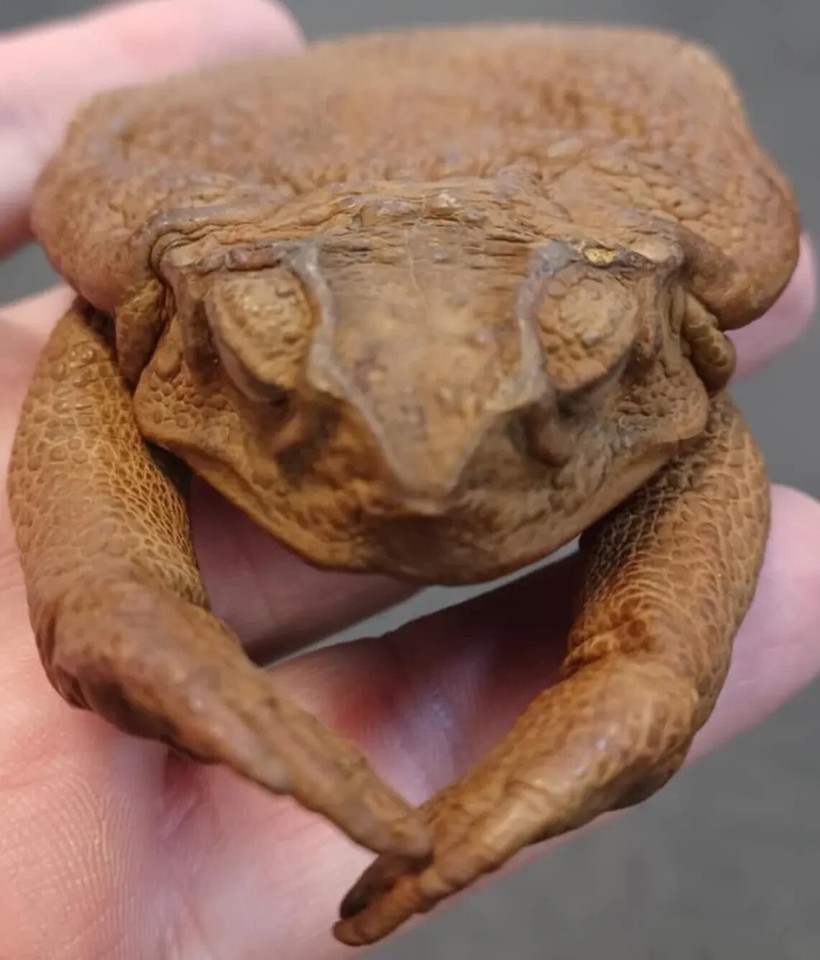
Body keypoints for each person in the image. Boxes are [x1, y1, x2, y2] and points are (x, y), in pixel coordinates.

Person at [1, 1, 818, 957]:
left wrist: (652, 677)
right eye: (269, 380)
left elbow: (691, 413)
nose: (428, 485)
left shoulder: (654, 310)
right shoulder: (165, 295)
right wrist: (109, 600)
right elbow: (102, 354)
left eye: (583, 370)